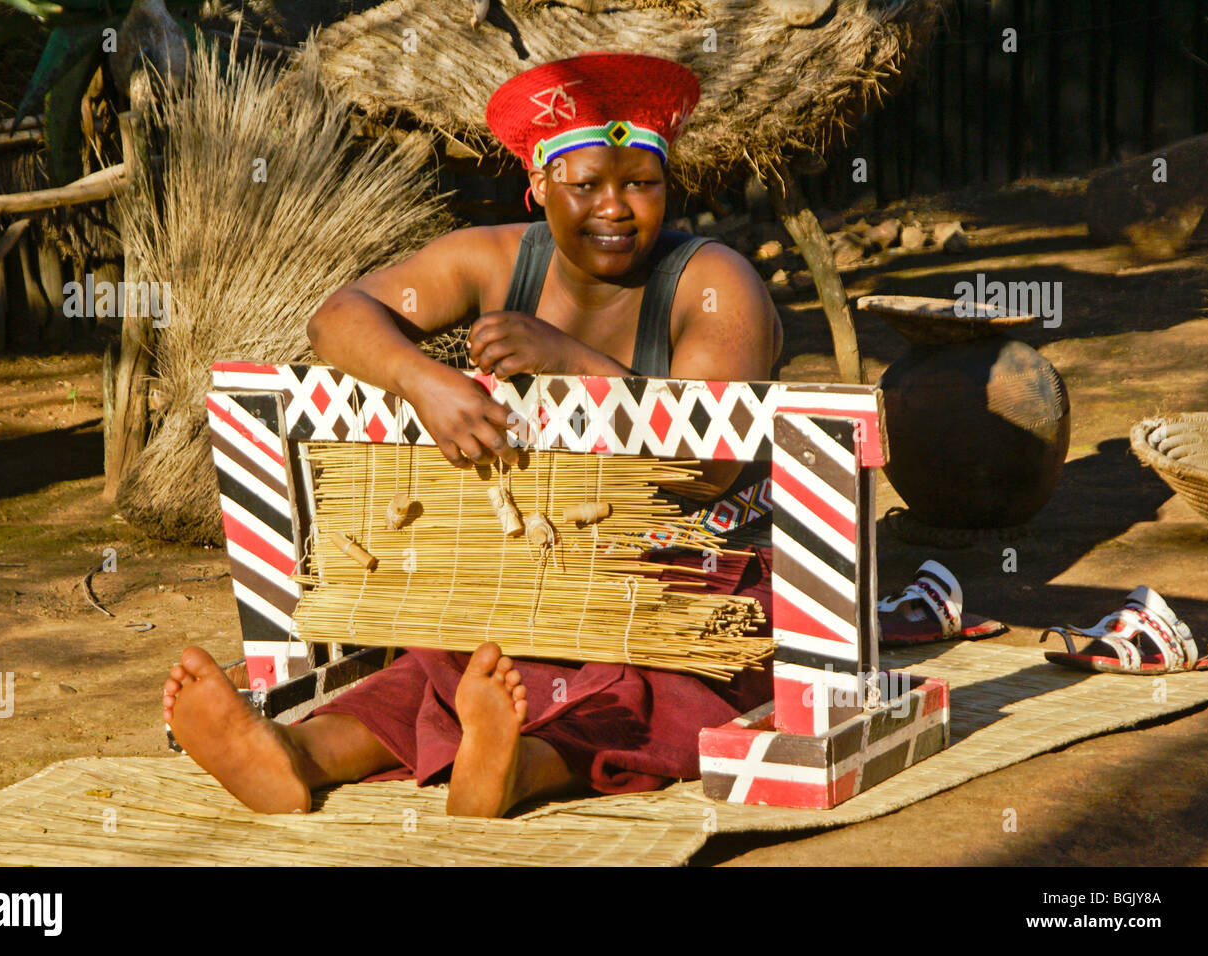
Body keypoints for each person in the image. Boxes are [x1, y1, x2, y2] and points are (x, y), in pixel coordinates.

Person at [162, 52, 782, 818]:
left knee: (652, 685)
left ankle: (516, 765)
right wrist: (423, 381)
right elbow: (338, 317)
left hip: (694, 570)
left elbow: (708, 461)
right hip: (536, 568)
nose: (615, 208)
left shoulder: (714, 283)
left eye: (641, 184)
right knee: (446, 663)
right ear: (541, 185)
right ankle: (296, 754)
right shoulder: (494, 259)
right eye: (586, 185)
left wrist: (571, 362)